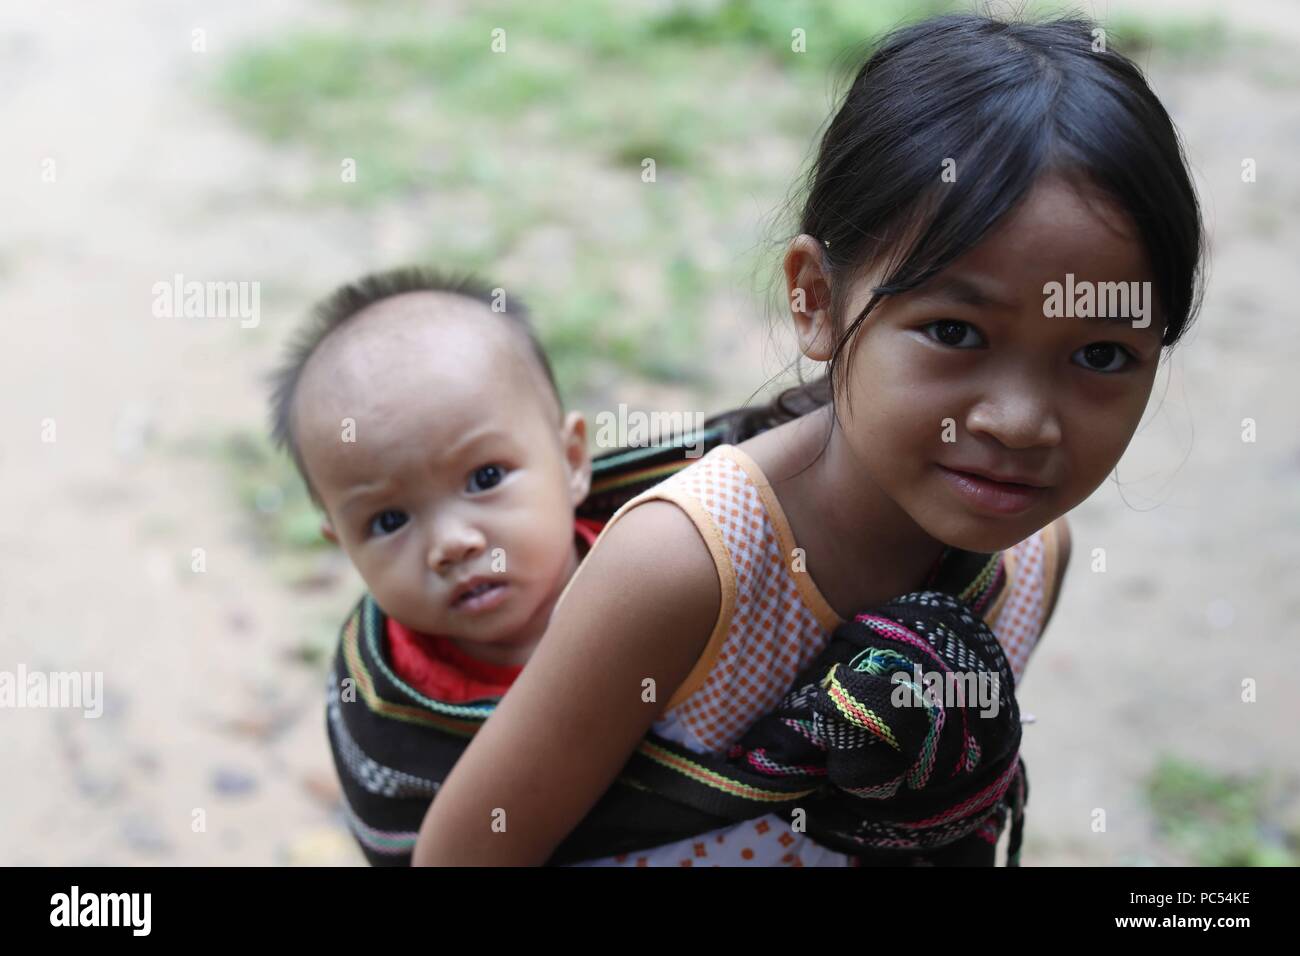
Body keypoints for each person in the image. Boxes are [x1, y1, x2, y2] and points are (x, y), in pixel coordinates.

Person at [412, 11, 1204, 866]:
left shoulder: (1028, 562)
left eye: (1100, 353)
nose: (1019, 422)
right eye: (955, 332)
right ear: (816, 301)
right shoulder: (687, 567)